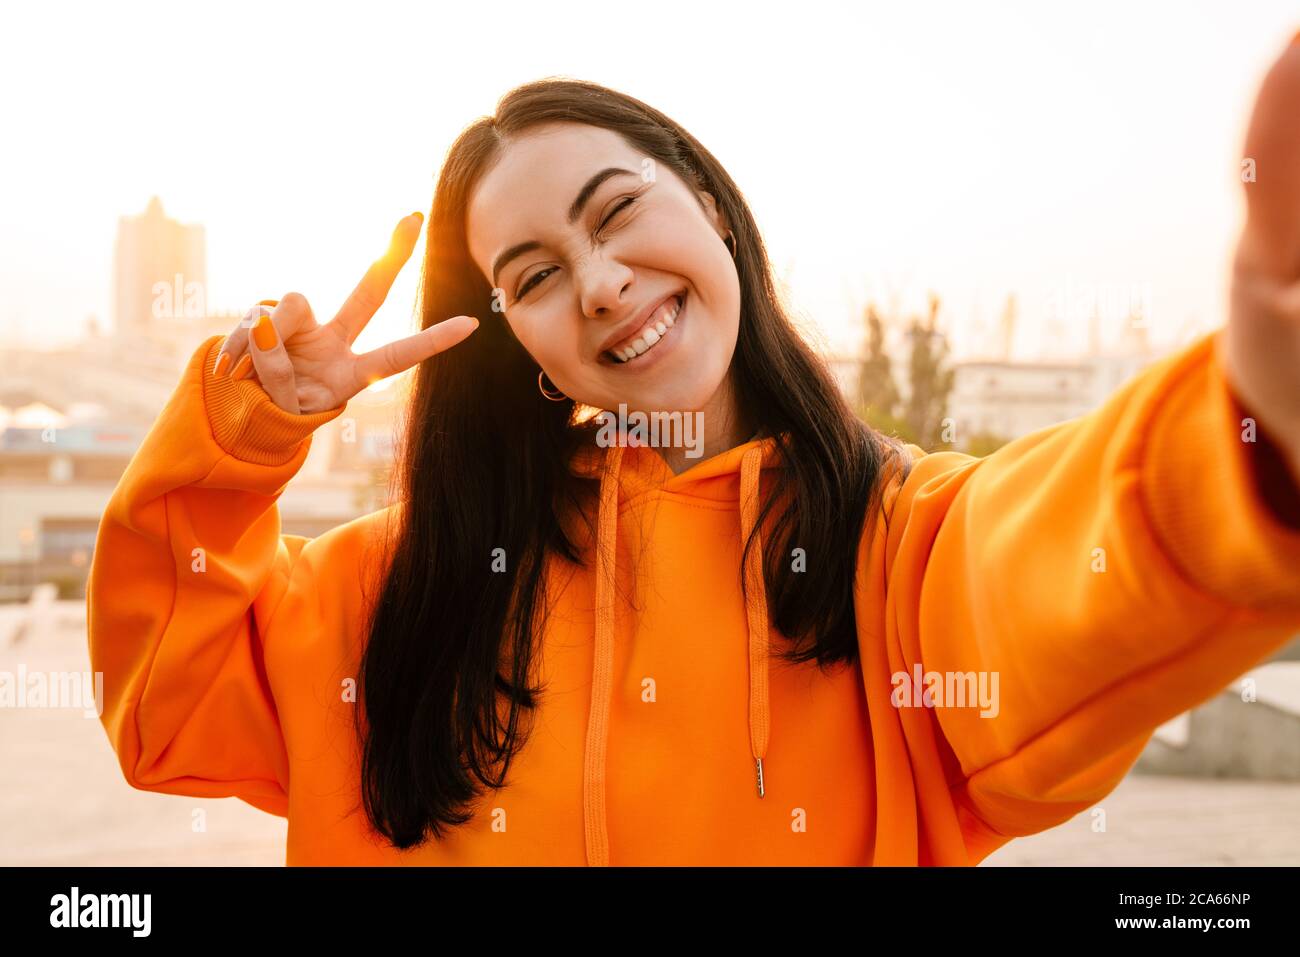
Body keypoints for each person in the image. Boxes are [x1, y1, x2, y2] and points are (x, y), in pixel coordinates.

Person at [88, 43, 1300, 866]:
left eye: (617, 213)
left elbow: (1072, 560)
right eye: (537, 279)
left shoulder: (902, 553)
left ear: (710, 205)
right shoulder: (401, 589)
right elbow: (165, 707)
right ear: (524, 349)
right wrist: (243, 443)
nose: (604, 286)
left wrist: (1246, 419)